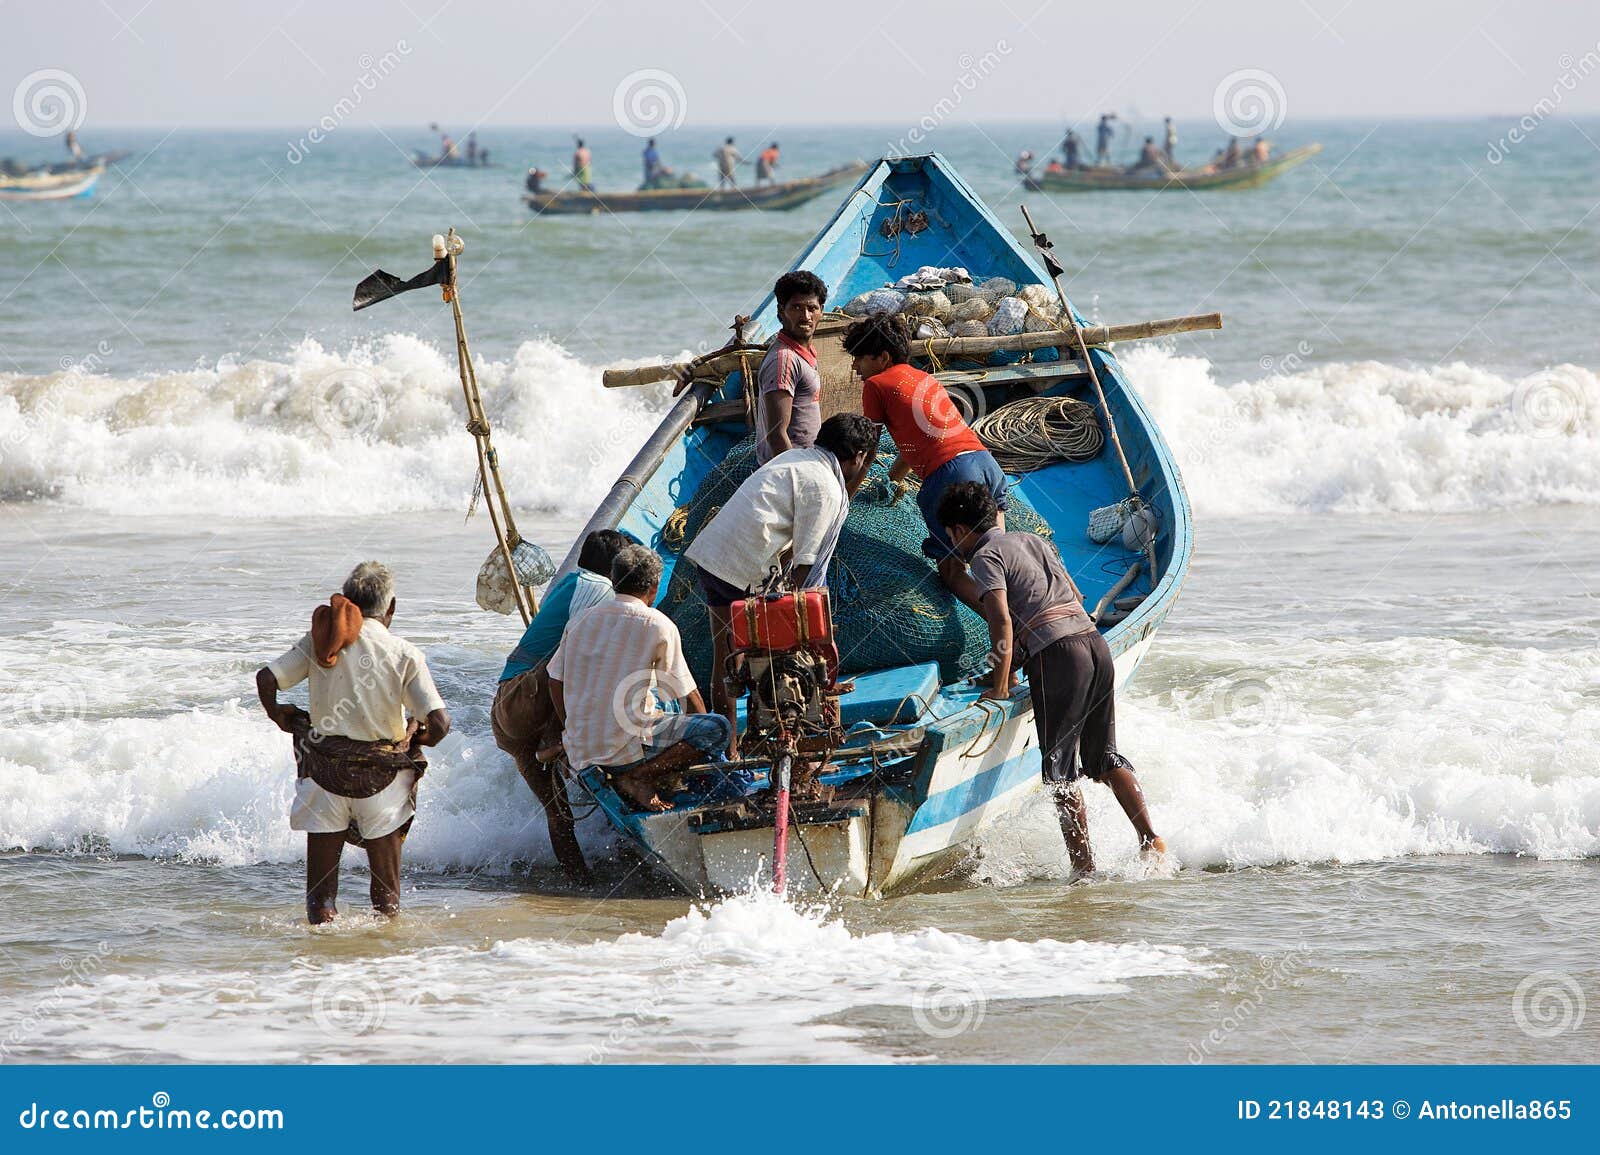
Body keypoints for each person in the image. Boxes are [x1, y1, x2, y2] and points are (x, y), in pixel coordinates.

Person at [936, 482, 1166, 875]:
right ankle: (1151, 839)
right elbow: (1073, 593)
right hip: (1095, 646)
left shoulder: (986, 557)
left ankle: (1084, 869)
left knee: (1060, 769)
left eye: (952, 535)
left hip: (1060, 657)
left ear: (959, 530)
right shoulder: (1031, 541)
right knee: (1104, 756)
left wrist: (1001, 684)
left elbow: (1001, 621)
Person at [256, 562, 451, 924]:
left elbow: (266, 679)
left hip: (324, 777)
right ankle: (378, 968)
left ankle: (324, 966)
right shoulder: (404, 653)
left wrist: (278, 714)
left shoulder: (322, 641)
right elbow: (440, 723)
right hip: (383, 784)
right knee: (386, 903)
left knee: (320, 901)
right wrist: (417, 737)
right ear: (391, 608)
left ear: (347, 600)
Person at [685, 413, 878, 757]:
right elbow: (806, 566)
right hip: (743, 568)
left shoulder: (794, 458)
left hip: (713, 559)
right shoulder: (826, 486)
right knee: (790, 662)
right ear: (859, 457)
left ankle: (727, 751)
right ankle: (799, 748)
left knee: (726, 662)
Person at [491, 529, 632, 885]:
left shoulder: (573, 582)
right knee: (582, 653)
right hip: (526, 699)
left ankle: (579, 881)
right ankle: (564, 744)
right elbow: (570, 663)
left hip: (508, 713)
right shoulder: (596, 587)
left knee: (558, 812)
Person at [547, 545, 731, 812]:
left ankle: (634, 775)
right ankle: (640, 776)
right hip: (626, 750)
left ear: (613, 579)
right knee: (717, 728)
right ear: (654, 587)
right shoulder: (658, 624)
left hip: (581, 749)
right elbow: (689, 695)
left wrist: (571, 729)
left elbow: (555, 679)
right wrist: (712, 756)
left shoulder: (580, 620)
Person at [842, 313, 1007, 607]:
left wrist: (845, 499)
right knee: (999, 555)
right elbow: (914, 443)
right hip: (985, 464)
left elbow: (867, 453)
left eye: (859, 358)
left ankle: (1006, 626)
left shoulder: (876, 385)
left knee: (951, 570)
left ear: (882, 357)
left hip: (951, 476)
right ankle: (1027, 609)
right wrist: (893, 479)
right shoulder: (924, 378)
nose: (855, 367)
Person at [754, 270, 827, 465]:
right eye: (796, 307)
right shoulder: (784, 361)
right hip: (790, 468)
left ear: (822, 310)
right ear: (781, 311)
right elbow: (776, 435)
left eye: (812, 308)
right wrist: (794, 476)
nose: (806, 316)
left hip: (806, 461)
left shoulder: (806, 351)